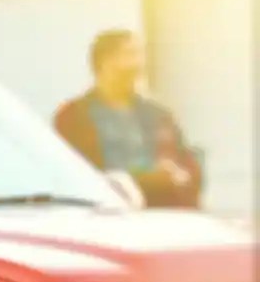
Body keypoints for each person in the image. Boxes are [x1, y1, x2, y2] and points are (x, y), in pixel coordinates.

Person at [53, 29, 203, 208]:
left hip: (162, 212)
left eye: (140, 55)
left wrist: (182, 176)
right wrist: (142, 177)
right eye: (130, 54)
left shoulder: (158, 114)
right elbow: (69, 174)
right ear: (104, 62)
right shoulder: (73, 117)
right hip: (106, 214)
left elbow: (187, 163)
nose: (138, 64)